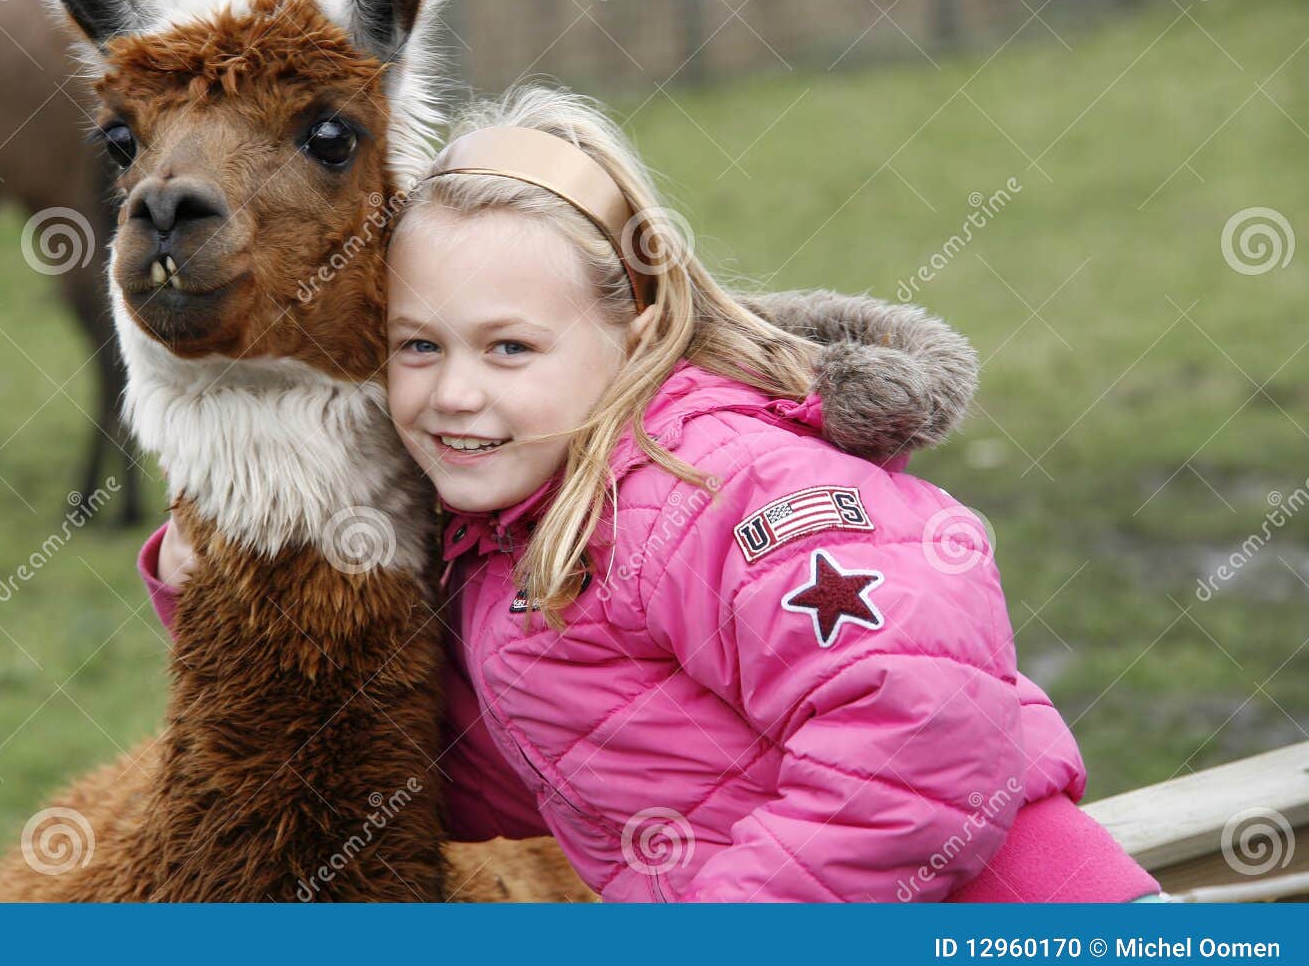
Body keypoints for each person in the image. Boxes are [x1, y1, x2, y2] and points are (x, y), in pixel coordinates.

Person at [140, 85, 1160, 903]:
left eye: (509, 346)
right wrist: (243, 594)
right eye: (419, 345)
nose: (454, 391)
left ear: (633, 329)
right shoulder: (503, 550)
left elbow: (918, 734)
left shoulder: (723, 487)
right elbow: (445, 765)